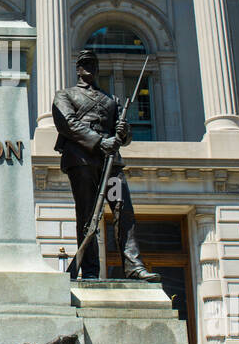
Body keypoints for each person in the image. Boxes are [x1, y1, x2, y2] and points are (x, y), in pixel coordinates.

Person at [52, 49, 160, 282]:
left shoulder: (111, 99)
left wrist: (123, 132)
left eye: (93, 64)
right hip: (82, 160)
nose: (89, 68)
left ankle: (133, 266)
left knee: (124, 210)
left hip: (111, 165)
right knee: (88, 213)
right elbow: (67, 124)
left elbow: (124, 136)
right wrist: (101, 141)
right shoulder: (65, 95)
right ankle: (90, 270)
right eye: (85, 64)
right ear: (78, 68)